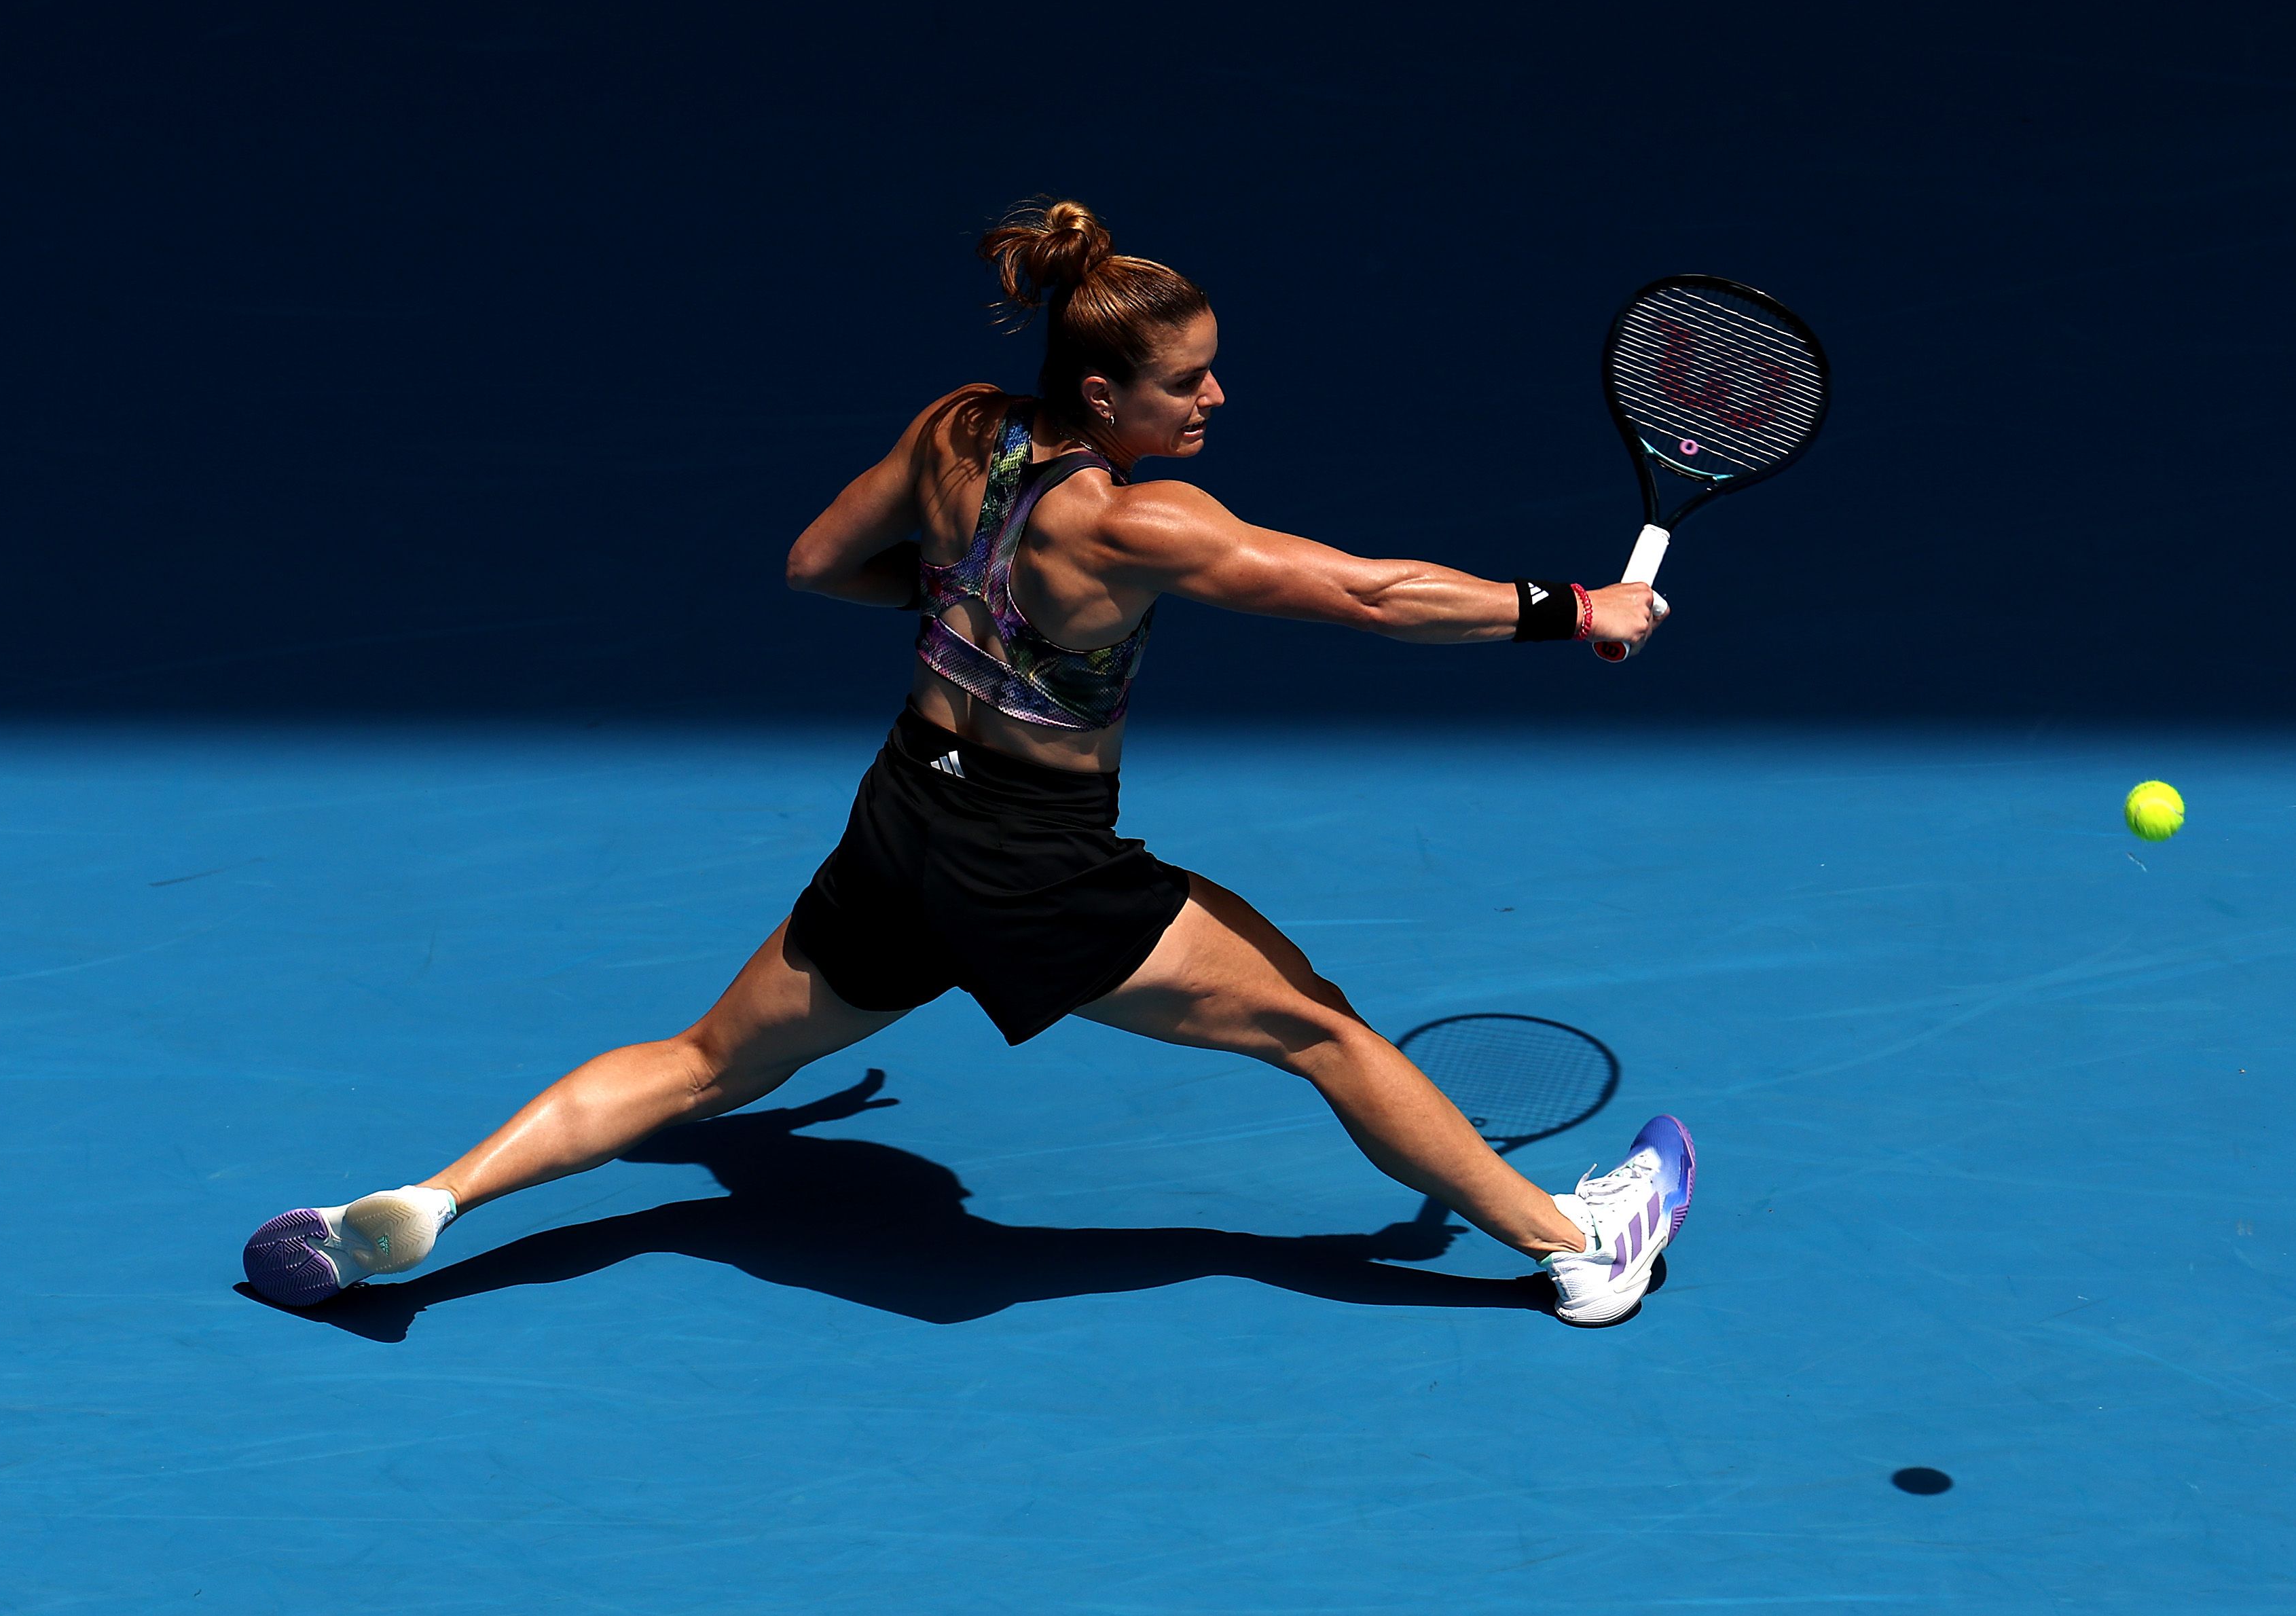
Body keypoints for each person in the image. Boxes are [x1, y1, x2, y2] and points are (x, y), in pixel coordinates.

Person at [242, 199, 1694, 1328]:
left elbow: (817, 565)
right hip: (1030, 859)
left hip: (901, 826)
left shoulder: (955, 430)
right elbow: (1370, 593)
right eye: (1184, 384)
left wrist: (959, 604)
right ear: (1106, 392)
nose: (1214, 402)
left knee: (698, 1066)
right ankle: (1576, 1249)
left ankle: (422, 1205)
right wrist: (1575, 613)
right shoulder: (1145, 525)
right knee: (1319, 1030)